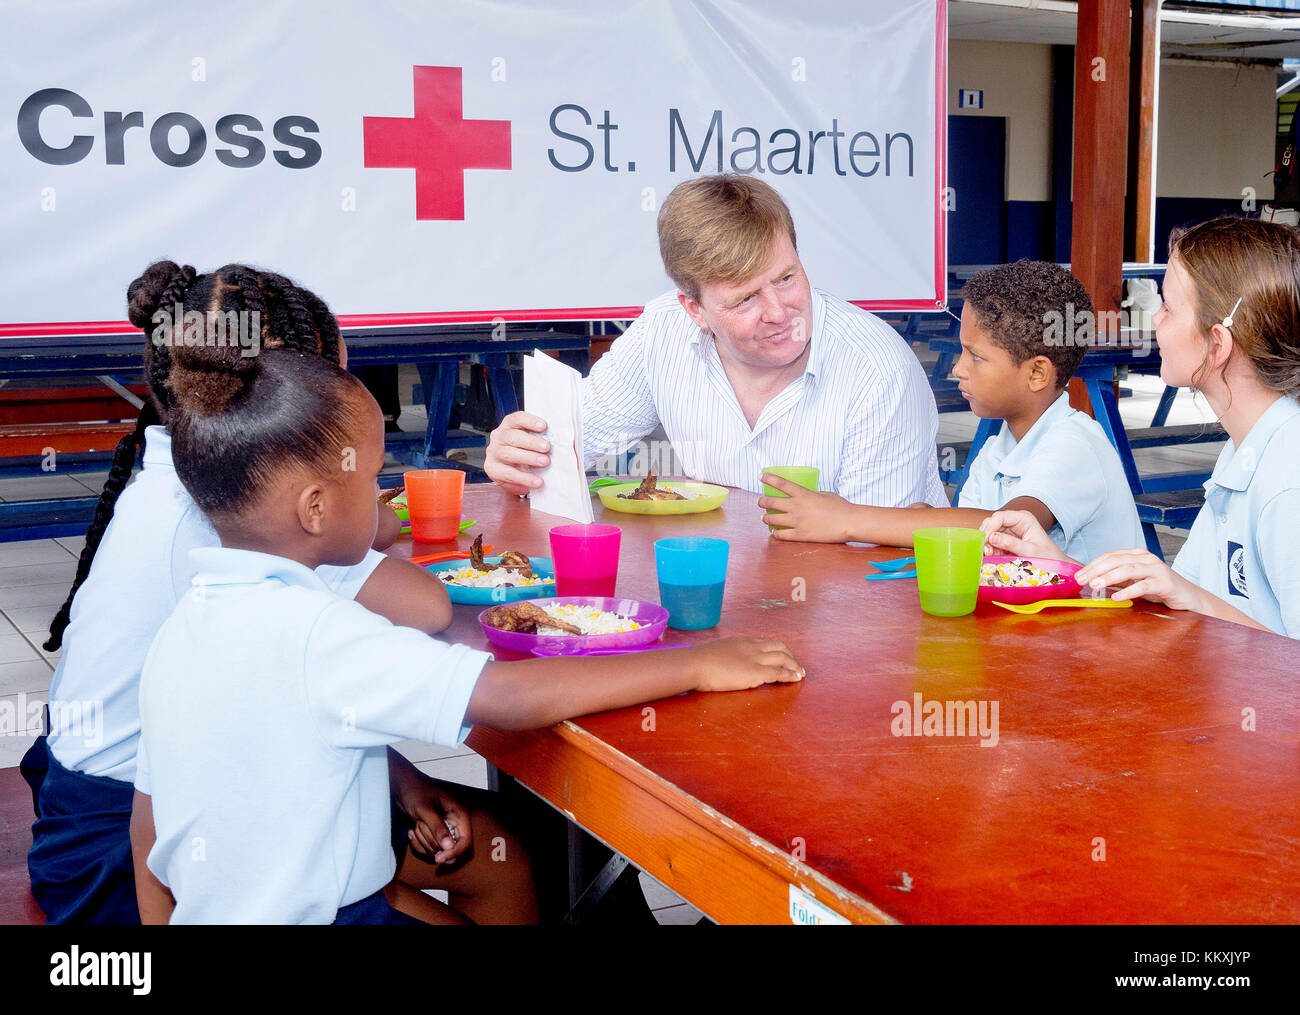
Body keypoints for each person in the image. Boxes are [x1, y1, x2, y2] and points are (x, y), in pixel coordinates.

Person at [129, 349, 804, 924]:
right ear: (315, 508)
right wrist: (693, 663)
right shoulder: (317, 632)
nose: (382, 492)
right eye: (370, 478)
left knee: (493, 855)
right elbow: (506, 696)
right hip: (339, 914)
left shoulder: (181, 628)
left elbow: (148, 829)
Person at [21, 262, 452, 924]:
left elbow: (298, 692)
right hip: (122, 853)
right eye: (333, 388)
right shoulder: (241, 516)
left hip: (103, 807)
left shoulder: (193, 477)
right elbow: (430, 606)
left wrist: (400, 775)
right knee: (497, 846)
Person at [484, 174, 946, 508]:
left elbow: (875, 554)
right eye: (744, 299)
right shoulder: (664, 329)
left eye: (786, 277)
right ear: (695, 310)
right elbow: (569, 444)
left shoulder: (877, 368)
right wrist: (521, 456)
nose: (778, 312)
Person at [982, 218, 1300, 638]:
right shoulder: (1245, 451)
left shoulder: (1287, 480)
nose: (1155, 320)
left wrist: (1191, 596)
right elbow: (1183, 609)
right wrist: (1062, 568)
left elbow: (1200, 604)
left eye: (1168, 306)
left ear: (1218, 344)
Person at [757, 261, 1145, 556]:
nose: (958, 368)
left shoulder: (1074, 445)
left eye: (975, 356)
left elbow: (1004, 531)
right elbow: (978, 546)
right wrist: (923, 522)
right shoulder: (998, 451)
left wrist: (847, 520)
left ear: (1037, 372)